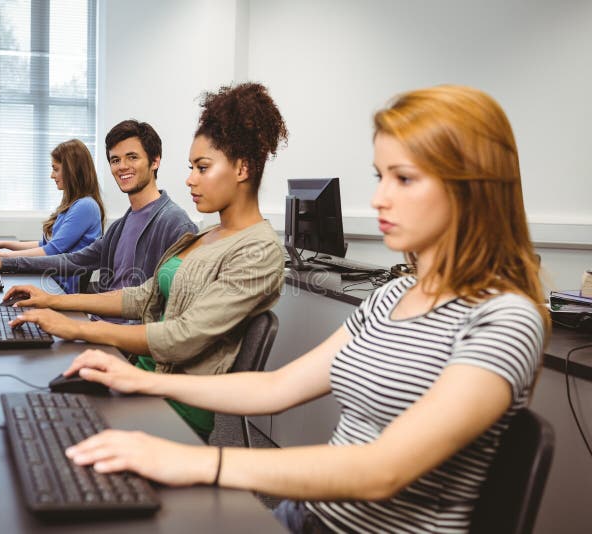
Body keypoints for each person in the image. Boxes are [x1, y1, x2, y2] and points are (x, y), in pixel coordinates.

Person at [57, 85, 548, 533]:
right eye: (381, 176)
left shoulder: (505, 318)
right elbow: (278, 386)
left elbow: (383, 471)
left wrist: (197, 464)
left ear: (470, 186)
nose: (379, 198)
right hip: (310, 515)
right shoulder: (391, 298)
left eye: (404, 178)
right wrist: (140, 379)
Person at [6, 83, 288, 437]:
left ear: (243, 169)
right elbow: (141, 296)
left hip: (172, 400)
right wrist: (54, 301)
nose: (189, 179)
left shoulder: (258, 250)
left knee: (49, 429)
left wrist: (78, 327)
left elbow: (184, 336)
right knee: (30, 409)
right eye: (191, 167)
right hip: (142, 374)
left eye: (202, 168)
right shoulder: (205, 236)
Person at [0, 120, 197, 304]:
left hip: (126, 339)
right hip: (104, 321)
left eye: (132, 157)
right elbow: (73, 260)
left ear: (155, 161)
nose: (122, 166)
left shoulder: (175, 224)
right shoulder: (121, 226)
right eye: (115, 160)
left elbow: (167, 310)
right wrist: (4, 264)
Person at [0, 139, 104, 294]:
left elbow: (51, 250)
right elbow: (44, 244)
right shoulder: (73, 204)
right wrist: (1, 245)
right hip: (50, 279)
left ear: (72, 171)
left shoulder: (86, 206)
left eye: (56, 169)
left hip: (59, 287)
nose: (51, 175)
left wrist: (5, 258)